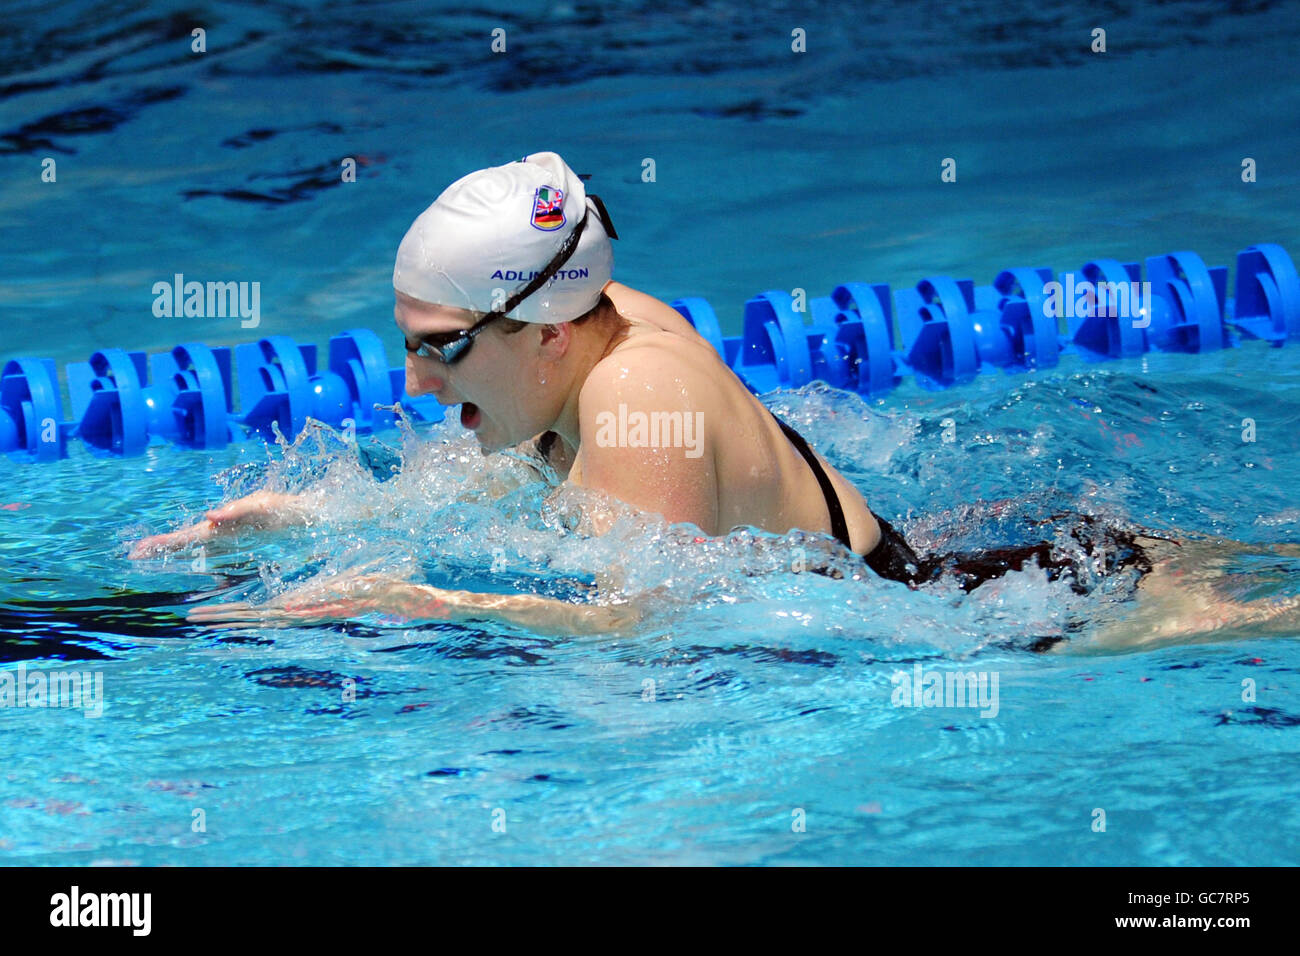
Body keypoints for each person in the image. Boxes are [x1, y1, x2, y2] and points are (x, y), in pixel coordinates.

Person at [130, 152, 1300, 648]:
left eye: (436, 349)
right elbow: (499, 476)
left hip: (1009, 626)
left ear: (535, 330)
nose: (414, 381)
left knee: (1249, 619)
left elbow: (640, 624)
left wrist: (420, 600)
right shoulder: (592, 322)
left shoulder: (638, 399)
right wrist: (316, 518)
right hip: (966, 566)